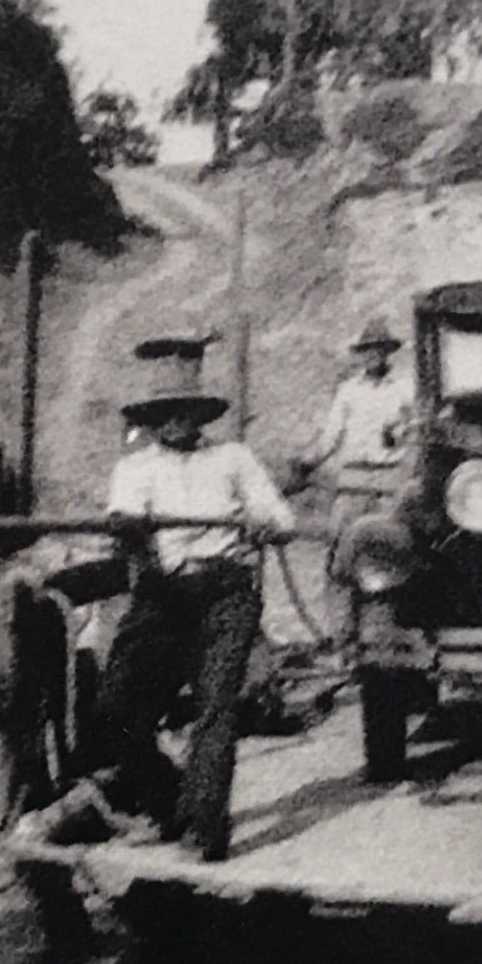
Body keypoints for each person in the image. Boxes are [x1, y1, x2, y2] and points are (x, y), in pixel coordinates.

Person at [94, 333, 297, 862]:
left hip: (225, 591)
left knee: (214, 711)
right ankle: (169, 805)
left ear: (199, 415)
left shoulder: (234, 458)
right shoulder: (134, 469)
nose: (175, 423)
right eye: (164, 414)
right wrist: (129, 530)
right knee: (114, 712)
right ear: (152, 420)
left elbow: (281, 520)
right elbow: (122, 522)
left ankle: (206, 830)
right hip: (163, 596)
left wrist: (261, 523)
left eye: (183, 412)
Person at [290, 318, 415, 619]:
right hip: (353, 484)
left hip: (388, 485)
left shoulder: (405, 388)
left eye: (380, 350)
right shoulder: (348, 391)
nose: (374, 356)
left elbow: (416, 431)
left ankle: (385, 629)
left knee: (388, 557)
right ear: (361, 354)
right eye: (368, 350)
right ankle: (341, 632)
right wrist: (306, 464)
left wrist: (401, 435)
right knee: (342, 557)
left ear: (388, 353)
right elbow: (331, 436)